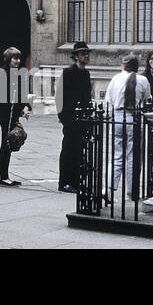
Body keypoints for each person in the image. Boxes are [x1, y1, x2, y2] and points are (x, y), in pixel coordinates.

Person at [104, 54, 150, 200]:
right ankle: (131, 192)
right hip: (134, 118)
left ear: (123, 65)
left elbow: (108, 100)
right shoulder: (142, 80)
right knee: (132, 157)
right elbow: (148, 99)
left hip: (118, 117)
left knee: (117, 156)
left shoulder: (115, 78)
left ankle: (109, 190)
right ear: (137, 66)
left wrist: (110, 116)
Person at [56, 41, 92, 192]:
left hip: (82, 118)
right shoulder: (68, 72)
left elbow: (87, 96)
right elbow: (59, 97)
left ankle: (76, 182)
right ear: (76, 56)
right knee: (68, 150)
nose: (86, 56)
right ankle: (64, 182)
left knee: (79, 151)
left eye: (87, 53)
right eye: (83, 53)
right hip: (70, 118)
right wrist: (64, 118)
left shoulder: (86, 73)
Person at [0, 46, 31, 186]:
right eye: (15, 58)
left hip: (13, 114)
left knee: (9, 143)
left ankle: (5, 176)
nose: (18, 60)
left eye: (18, 58)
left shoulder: (17, 74)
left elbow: (21, 94)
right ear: (8, 59)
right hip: (6, 114)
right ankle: (4, 177)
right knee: (6, 143)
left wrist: (25, 107)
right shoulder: (3, 74)